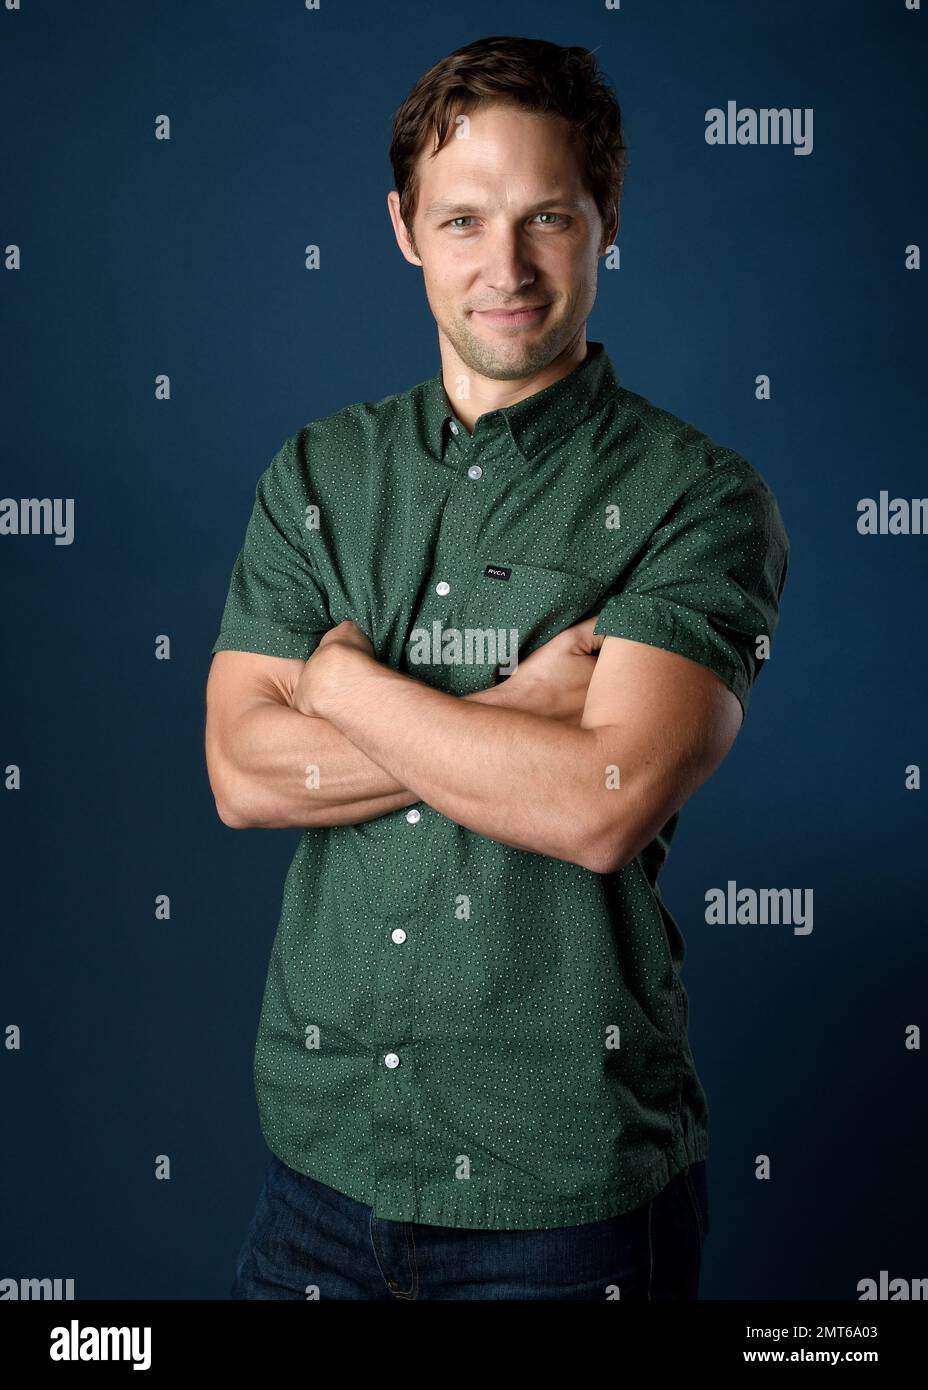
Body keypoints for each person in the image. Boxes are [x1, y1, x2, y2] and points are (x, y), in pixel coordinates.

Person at [205, 34, 789, 1300]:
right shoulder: (317, 478)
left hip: (564, 1201)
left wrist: (348, 683)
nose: (506, 268)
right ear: (406, 229)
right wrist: (506, 712)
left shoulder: (698, 500)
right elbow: (241, 774)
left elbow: (598, 801)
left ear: (605, 221)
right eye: (463, 219)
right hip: (320, 1166)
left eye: (548, 219)